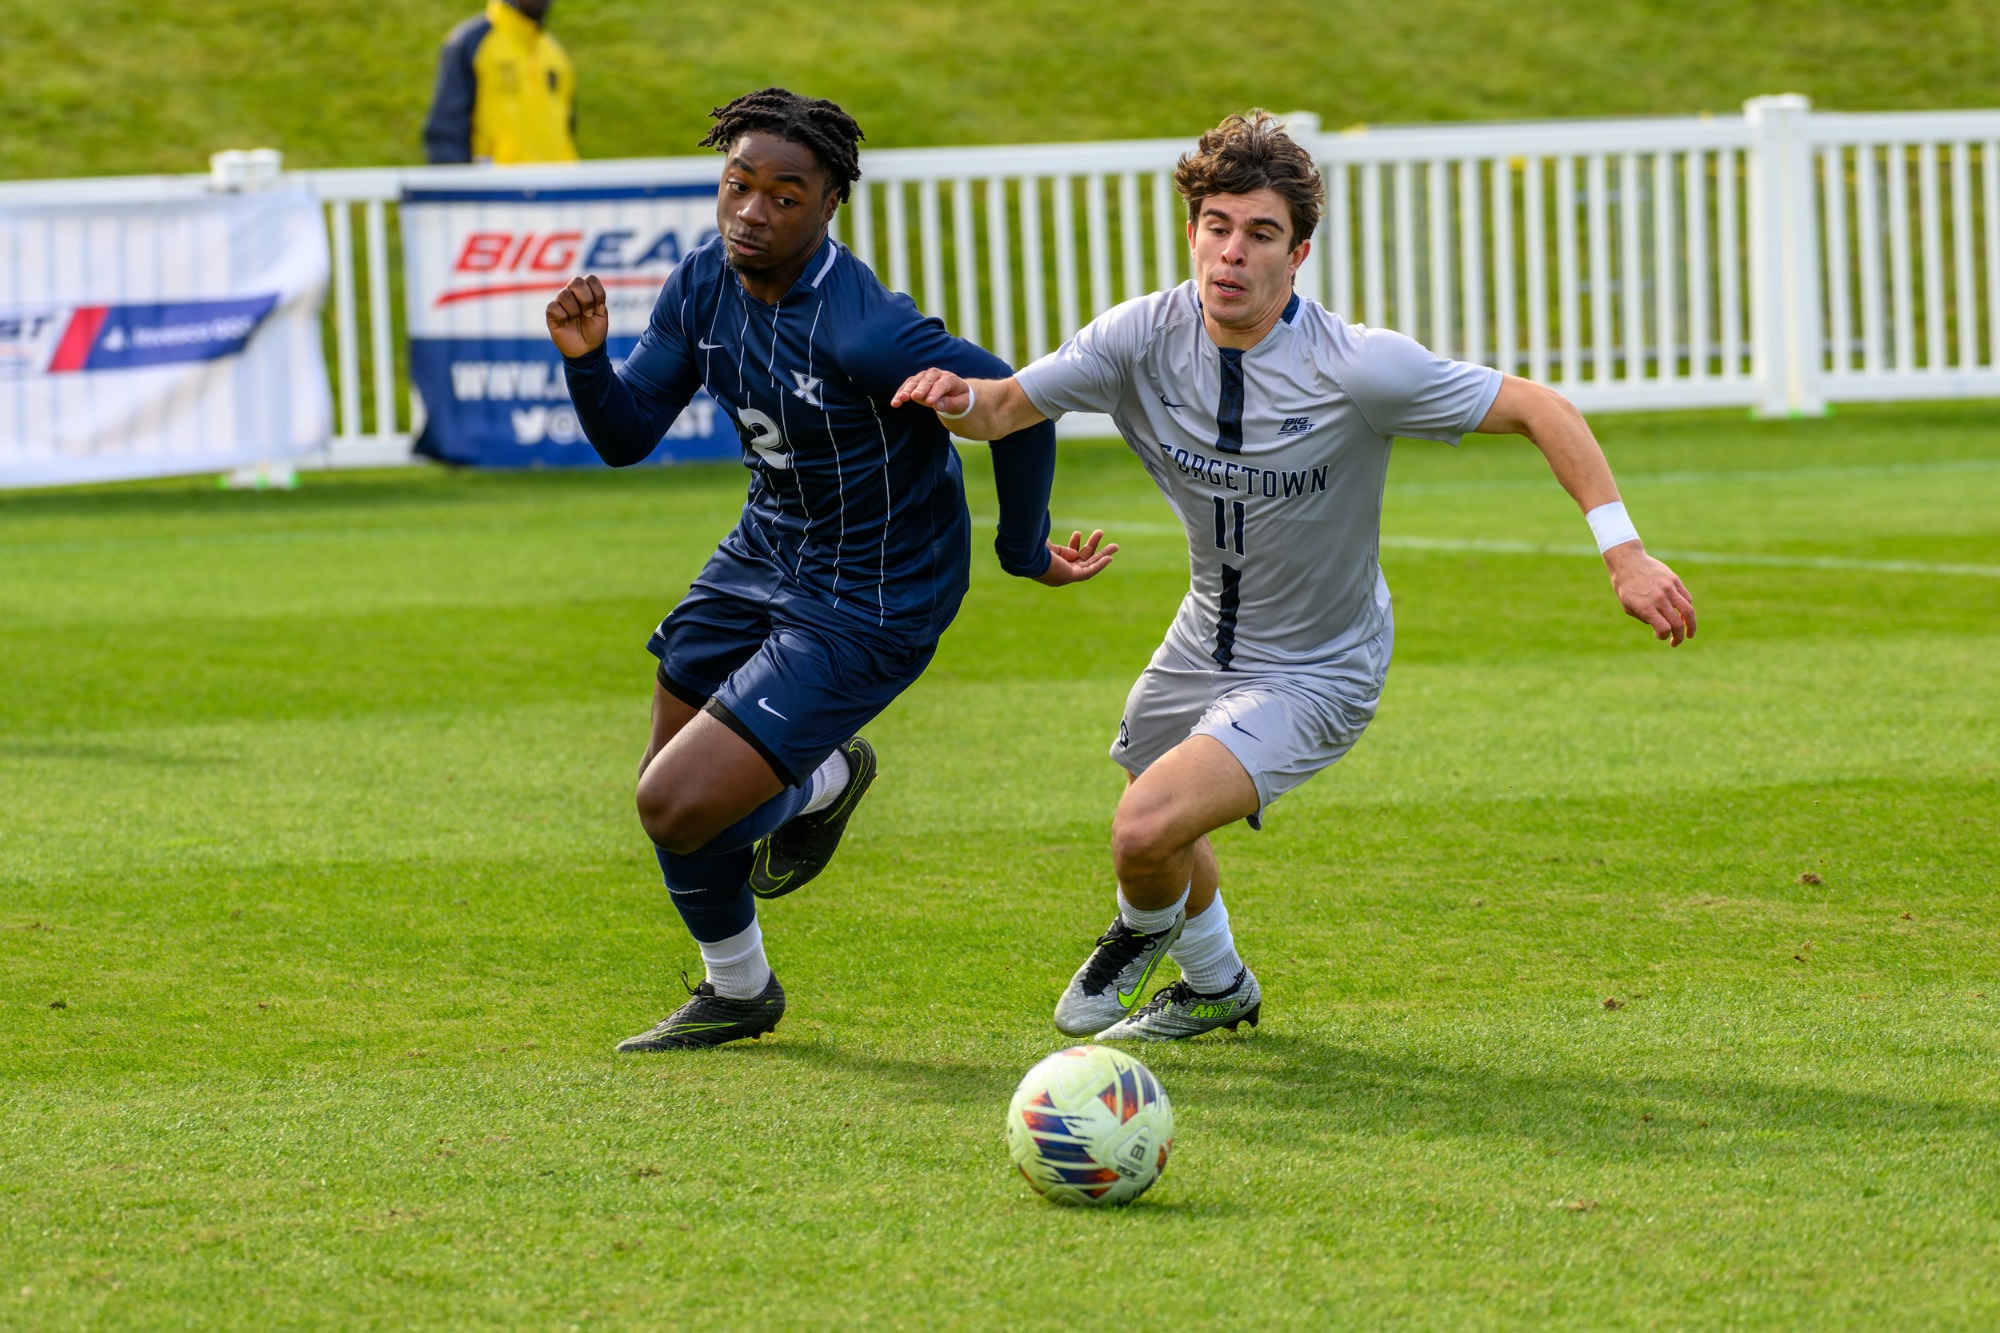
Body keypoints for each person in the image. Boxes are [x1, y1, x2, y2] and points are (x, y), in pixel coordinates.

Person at [892, 111, 1696, 1042]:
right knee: (1156, 817)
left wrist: (1624, 550)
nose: (1233, 253)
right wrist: (954, 399)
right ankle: (1218, 985)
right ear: (1192, 230)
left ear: (1299, 252)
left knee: (1142, 832)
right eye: (1217, 225)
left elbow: (1541, 408)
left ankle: (1138, 934)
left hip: (1320, 665)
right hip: (1202, 636)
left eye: (1261, 233)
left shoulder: (1361, 366)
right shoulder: (1136, 339)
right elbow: (1000, 410)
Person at [547, 88, 1114, 1052]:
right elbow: (626, 434)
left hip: (877, 589)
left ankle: (819, 781)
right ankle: (740, 991)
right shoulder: (702, 285)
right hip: (765, 549)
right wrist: (588, 363)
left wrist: (1023, 552)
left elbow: (1020, 408)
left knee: (673, 803)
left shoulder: (867, 328)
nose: (752, 212)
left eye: (784, 195)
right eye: (739, 186)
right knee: (675, 798)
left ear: (828, 206)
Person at [423, 0, 578, 165]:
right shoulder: (472, 42)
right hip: (497, 186)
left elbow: (567, 128)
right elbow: (447, 131)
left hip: (555, 184)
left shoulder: (555, 53)